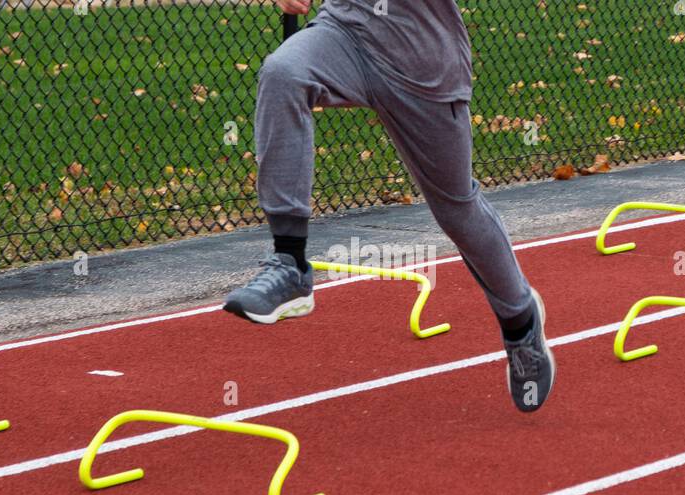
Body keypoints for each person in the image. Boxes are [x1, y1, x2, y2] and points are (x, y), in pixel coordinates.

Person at [223, 0, 555, 412]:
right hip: (346, 33)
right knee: (283, 73)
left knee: (456, 208)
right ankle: (289, 264)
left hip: (422, 65)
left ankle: (520, 321)